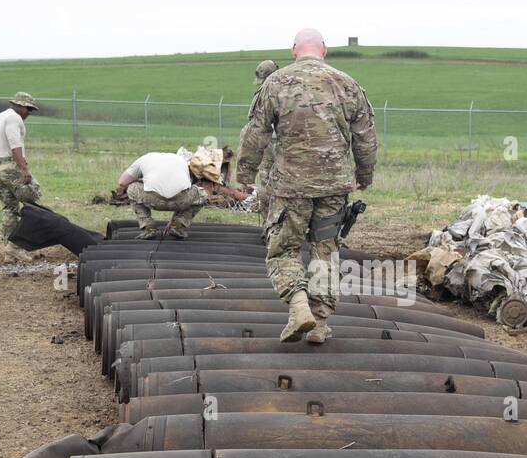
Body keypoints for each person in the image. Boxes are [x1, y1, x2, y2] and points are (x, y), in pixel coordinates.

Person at [236, 29, 376, 342]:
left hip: (290, 186)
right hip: (333, 187)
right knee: (325, 250)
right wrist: (365, 174)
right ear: (324, 50)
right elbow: (366, 136)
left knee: (284, 248)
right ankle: (321, 324)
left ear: (293, 50)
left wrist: (245, 172)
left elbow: (255, 132)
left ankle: (299, 307)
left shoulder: (276, 83)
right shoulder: (347, 83)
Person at [111, 147, 250, 238]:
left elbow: (122, 182)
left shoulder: (143, 159)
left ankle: (147, 225)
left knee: (131, 188)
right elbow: (190, 185)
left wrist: (124, 190)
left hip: (152, 199)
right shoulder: (182, 161)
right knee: (202, 193)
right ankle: (178, 224)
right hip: (180, 201)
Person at [0, 92, 45, 259]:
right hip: (12, 167)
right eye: (28, 109)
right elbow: (15, 146)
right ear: (20, 106)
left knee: (10, 209)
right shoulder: (15, 119)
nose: (29, 112)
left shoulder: (1, 116)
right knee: (34, 205)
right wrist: (24, 169)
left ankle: (9, 251)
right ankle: (16, 246)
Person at [235, 59, 279, 213]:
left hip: (269, 144)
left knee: (267, 182)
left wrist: (245, 173)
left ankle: (270, 218)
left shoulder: (263, 94)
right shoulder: (289, 88)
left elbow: (255, 129)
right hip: (282, 144)